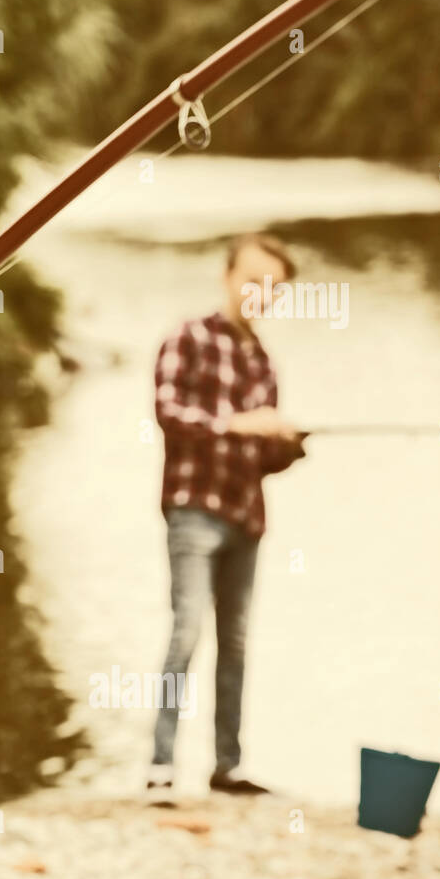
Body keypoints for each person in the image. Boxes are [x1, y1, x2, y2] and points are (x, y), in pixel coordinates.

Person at [146, 233, 306, 807]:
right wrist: (239, 424)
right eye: (253, 280)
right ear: (228, 275)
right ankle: (160, 766)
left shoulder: (264, 362)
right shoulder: (186, 337)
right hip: (193, 508)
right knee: (185, 631)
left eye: (273, 288)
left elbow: (266, 461)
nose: (260, 293)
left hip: (246, 517)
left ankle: (227, 766)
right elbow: (169, 413)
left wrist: (287, 442)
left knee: (235, 644)